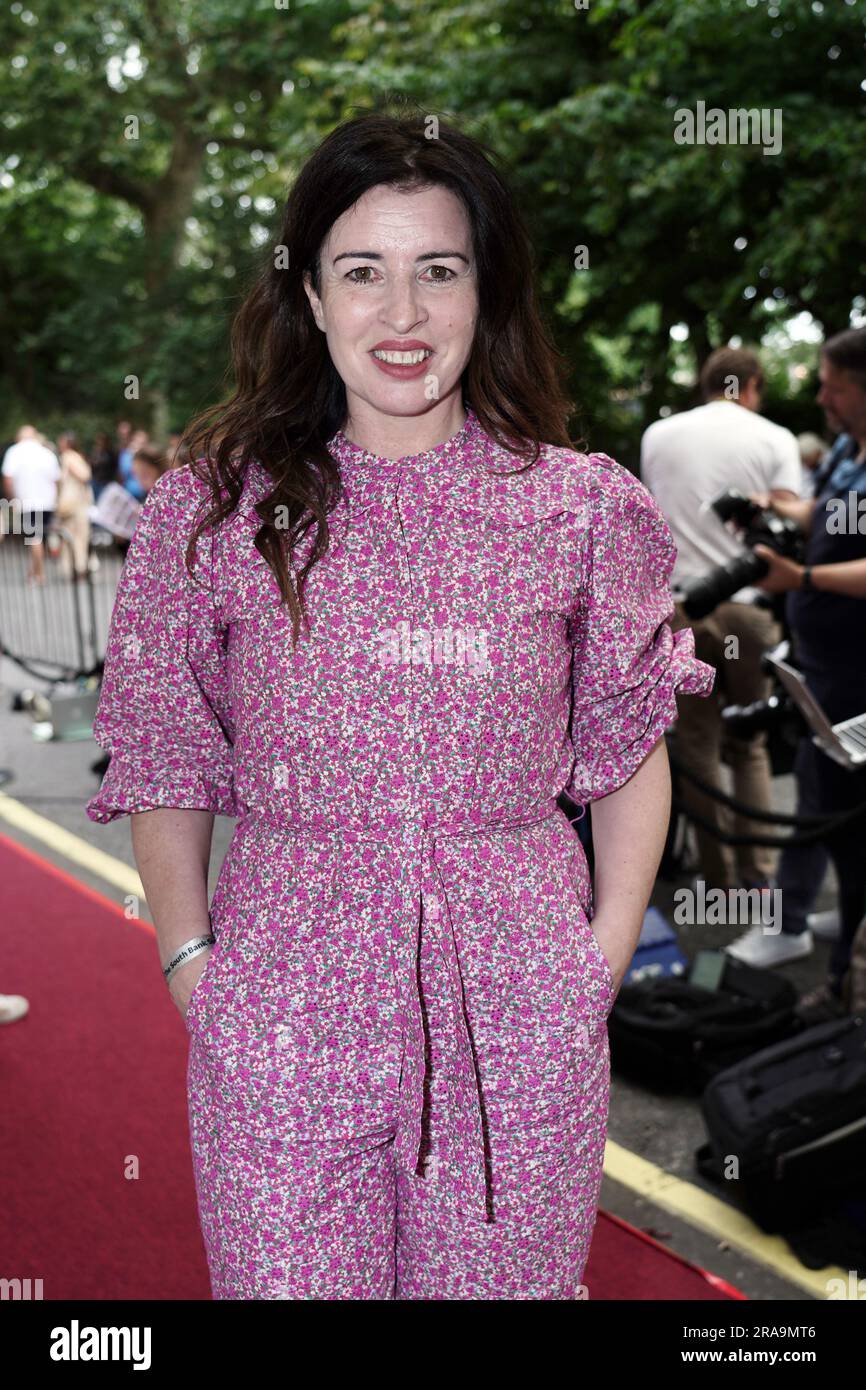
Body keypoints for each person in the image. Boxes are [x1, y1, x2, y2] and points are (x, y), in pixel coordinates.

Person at [85, 111, 714, 1301]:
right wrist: (191, 965)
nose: (405, 313)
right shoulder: (212, 512)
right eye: (361, 273)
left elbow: (629, 744)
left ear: (487, 292)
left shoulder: (581, 508)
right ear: (311, 298)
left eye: (439, 270)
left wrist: (597, 962)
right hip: (280, 993)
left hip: (517, 1000)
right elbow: (166, 754)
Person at [726, 328, 866, 1017]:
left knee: (845, 811)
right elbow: (828, 514)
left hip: (859, 679)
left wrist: (801, 574)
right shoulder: (846, 450)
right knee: (819, 801)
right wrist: (777, 509)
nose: (820, 395)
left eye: (831, 384)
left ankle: (844, 980)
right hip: (824, 668)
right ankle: (809, 924)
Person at [640, 347, 801, 895]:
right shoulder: (775, 437)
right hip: (749, 609)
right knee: (749, 741)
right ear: (750, 385)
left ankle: (717, 880)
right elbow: (786, 525)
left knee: (696, 745)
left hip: (682, 608)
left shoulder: (660, 436)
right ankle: (761, 878)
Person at [1, 424, 61, 583]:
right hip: (47, 502)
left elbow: (7, 478)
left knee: (34, 538)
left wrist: (12, 498)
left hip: (28, 502)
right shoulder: (47, 452)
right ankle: (33, 570)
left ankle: (39, 574)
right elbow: (57, 480)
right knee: (39, 537)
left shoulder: (14, 452)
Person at [55, 430, 95, 578]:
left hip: (74, 504)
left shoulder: (69, 457)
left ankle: (78, 567)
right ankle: (78, 566)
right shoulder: (76, 457)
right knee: (75, 536)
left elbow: (84, 476)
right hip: (76, 503)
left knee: (75, 536)